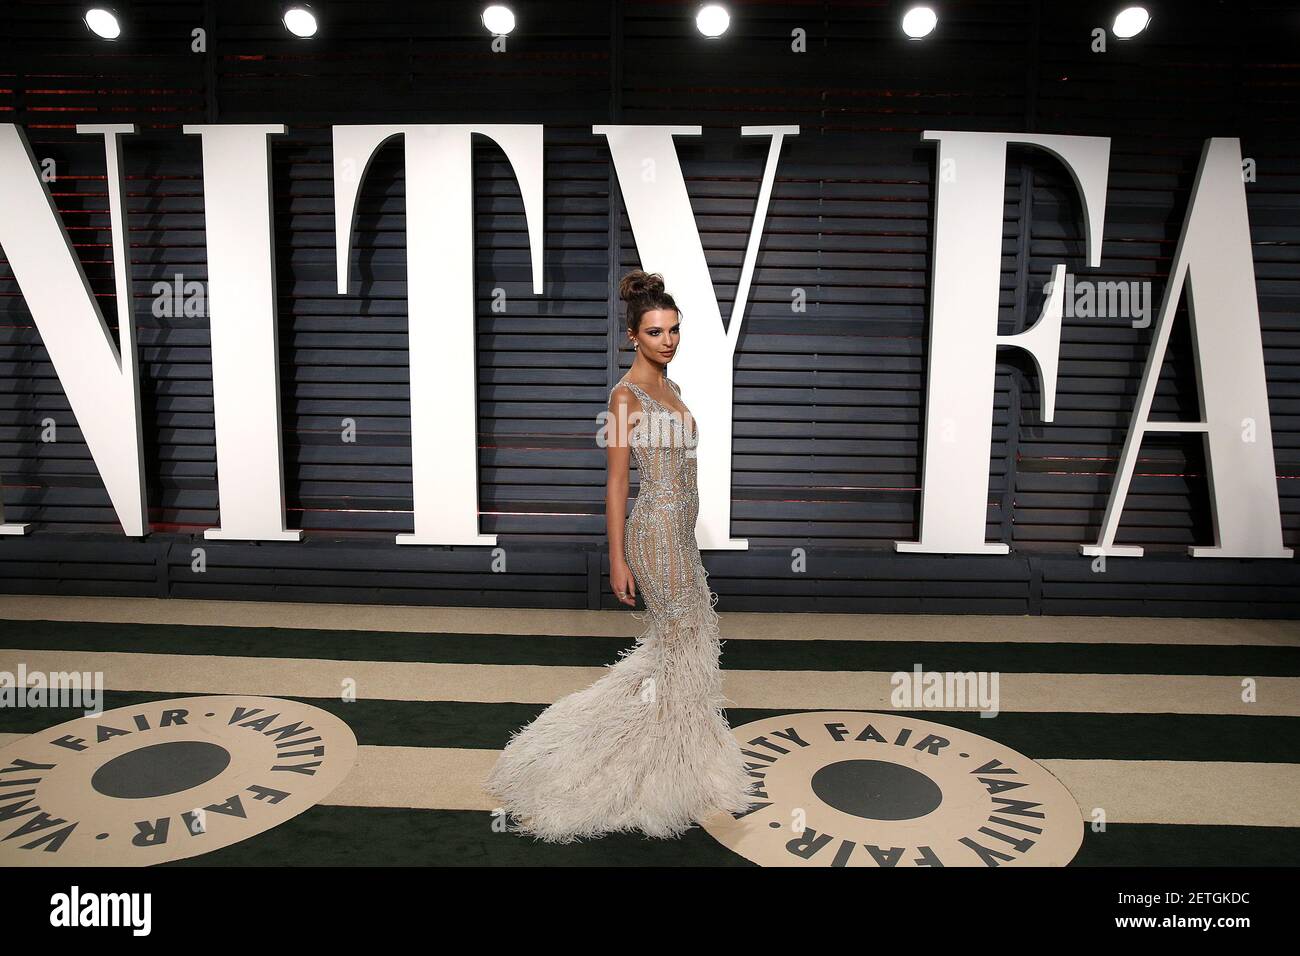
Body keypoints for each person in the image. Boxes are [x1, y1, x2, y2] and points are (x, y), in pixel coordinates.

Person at [482, 269, 756, 843]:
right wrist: (616, 558)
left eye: (674, 330)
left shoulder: (672, 390)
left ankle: (682, 755)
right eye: (656, 332)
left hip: (681, 535)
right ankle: (650, 765)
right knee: (686, 639)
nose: (669, 341)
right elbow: (614, 485)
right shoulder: (624, 396)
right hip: (653, 536)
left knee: (680, 646)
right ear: (633, 335)